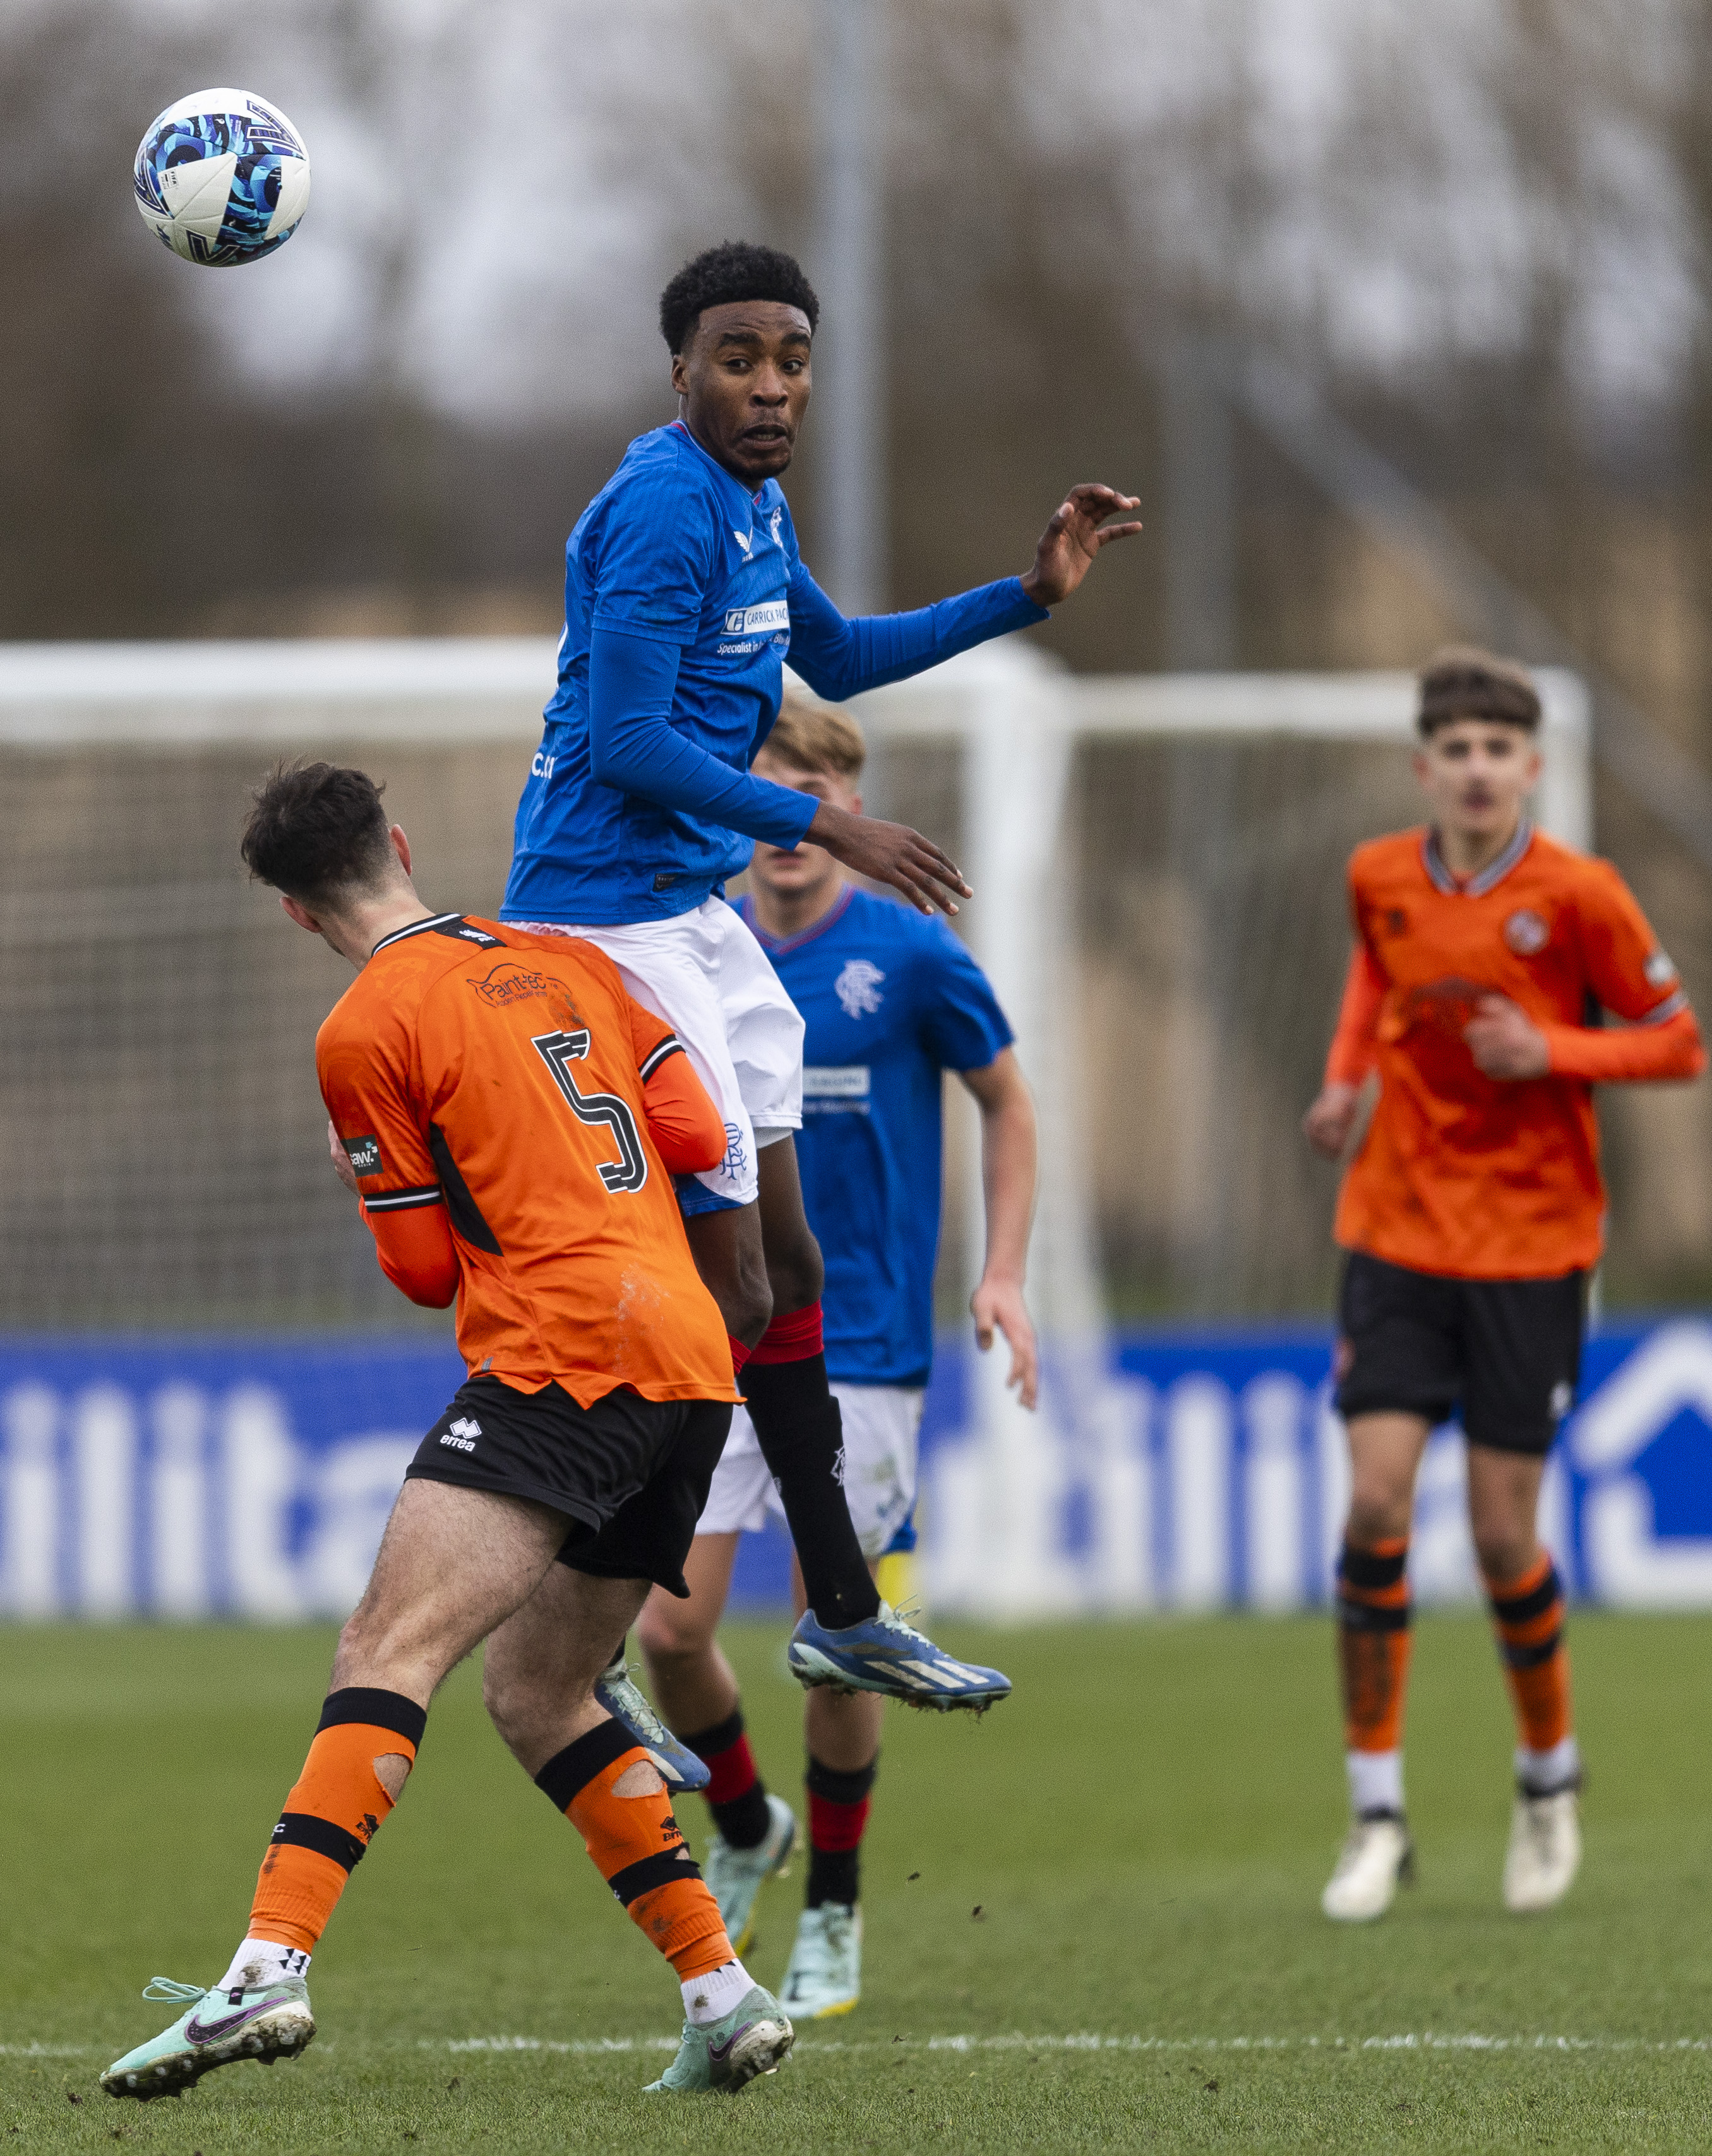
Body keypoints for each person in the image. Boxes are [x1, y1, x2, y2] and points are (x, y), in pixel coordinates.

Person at [501, 238, 1135, 1705]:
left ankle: (841, 1608)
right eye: (741, 356)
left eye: (792, 358)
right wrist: (828, 820)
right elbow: (626, 744)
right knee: (706, 1276)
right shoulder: (663, 506)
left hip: (689, 914)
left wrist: (1025, 597)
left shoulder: (753, 504)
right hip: (605, 921)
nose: (773, 384)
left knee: (784, 1265)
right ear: (682, 371)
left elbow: (836, 661)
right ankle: (582, 1632)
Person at [103, 763, 794, 2103]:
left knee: (387, 1645)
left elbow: (423, 1269)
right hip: (688, 1360)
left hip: (562, 1356)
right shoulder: (564, 958)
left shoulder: (364, 1032)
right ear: (402, 845)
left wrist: (386, 1176)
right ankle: (723, 1993)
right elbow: (700, 1127)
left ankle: (267, 1966)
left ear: (298, 915)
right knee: (539, 1694)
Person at [635, 694, 1039, 2018]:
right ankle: (750, 1820)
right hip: (717, 1332)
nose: (792, 817)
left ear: (850, 811)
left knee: (835, 1637)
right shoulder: (699, 952)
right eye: (769, 786)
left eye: (814, 786)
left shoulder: (911, 956)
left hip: (859, 1349)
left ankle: (835, 1916)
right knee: (668, 1628)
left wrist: (1001, 1269)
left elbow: (1007, 1096)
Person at [1302, 648, 1706, 1925]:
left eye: (1499, 750)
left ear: (1532, 768)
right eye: (1456, 749)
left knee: (1497, 1535)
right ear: (1426, 768)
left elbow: (1677, 1040)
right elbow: (1375, 973)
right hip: (1395, 1232)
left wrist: (1554, 1047)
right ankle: (1376, 1815)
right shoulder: (1378, 874)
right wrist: (1344, 1080)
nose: (1477, 769)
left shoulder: (1582, 895)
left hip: (1534, 1247)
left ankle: (1547, 1777)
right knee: (1375, 1505)